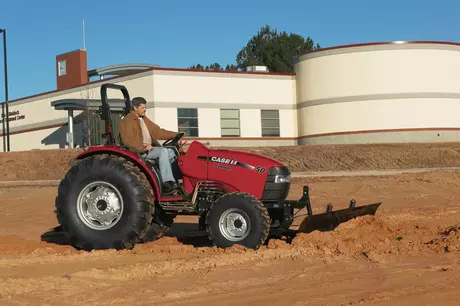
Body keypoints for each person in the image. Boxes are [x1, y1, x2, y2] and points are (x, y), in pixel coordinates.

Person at [119, 97, 180, 194]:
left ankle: (176, 180)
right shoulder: (127, 121)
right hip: (139, 152)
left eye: (145, 107)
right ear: (135, 108)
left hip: (150, 149)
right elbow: (128, 141)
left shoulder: (143, 119)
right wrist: (143, 147)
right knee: (163, 151)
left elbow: (157, 132)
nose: (145, 109)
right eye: (143, 107)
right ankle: (167, 183)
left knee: (172, 152)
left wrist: (176, 134)